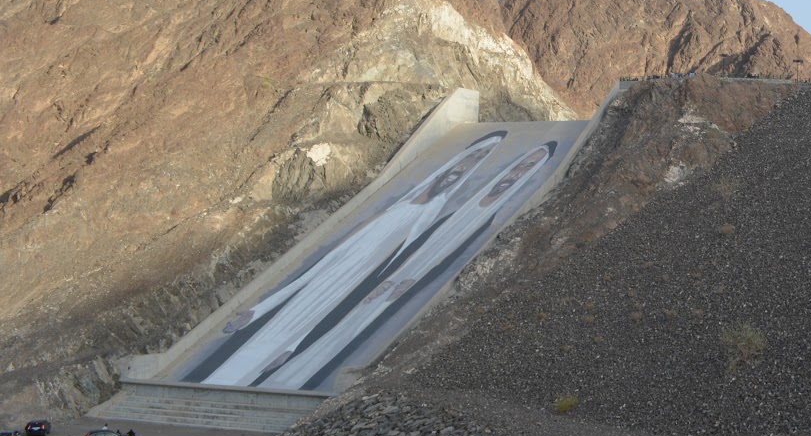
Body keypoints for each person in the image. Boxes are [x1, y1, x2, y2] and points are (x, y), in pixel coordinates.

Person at [181, 131, 508, 385]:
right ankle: (225, 377)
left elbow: (402, 256)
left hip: (355, 277)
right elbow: (337, 250)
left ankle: (281, 356)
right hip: (334, 268)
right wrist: (259, 309)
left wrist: (294, 346)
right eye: (469, 157)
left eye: (476, 163)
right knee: (277, 326)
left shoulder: (432, 212)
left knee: (300, 327)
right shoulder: (400, 203)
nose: (460, 170)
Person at [259, 140, 560, 390]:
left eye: (527, 168)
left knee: (348, 332)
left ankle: (291, 374)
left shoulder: (487, 217)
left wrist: (409, 280)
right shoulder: (447, 209)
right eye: (520, 164)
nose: (518, 171)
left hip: (401, 286)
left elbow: (455, 260)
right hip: (378, 279)